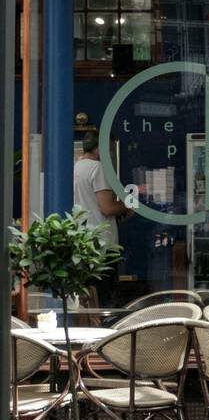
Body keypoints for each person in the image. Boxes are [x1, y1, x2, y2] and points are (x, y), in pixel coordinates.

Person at [72, 131, 130, 306]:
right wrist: (128, 205)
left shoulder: (75, 168)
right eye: (109, 149)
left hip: (82, 241)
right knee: (104, 297)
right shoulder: (97, 168)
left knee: (88, 296)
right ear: (99, 149)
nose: (110, 154)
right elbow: (107, 208)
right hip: (102, 245)